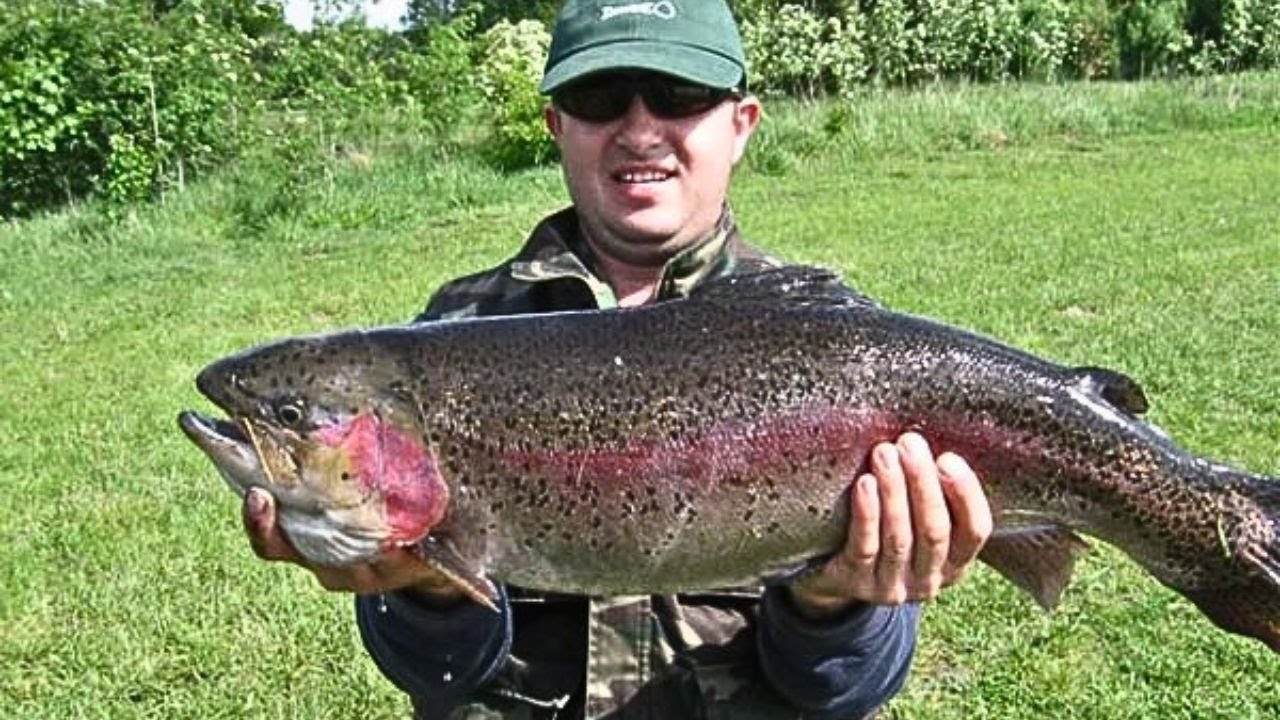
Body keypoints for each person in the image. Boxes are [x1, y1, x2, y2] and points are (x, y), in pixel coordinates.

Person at [242, 1, 994, 717]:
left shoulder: (837, 344)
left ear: (741, 124)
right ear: (556, 123)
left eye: (680, 93)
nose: (640, 127)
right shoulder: (458, 330)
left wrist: (835, 604)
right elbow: (439, 672)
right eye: (601, 96)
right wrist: (426, 593)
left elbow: (846, 690)